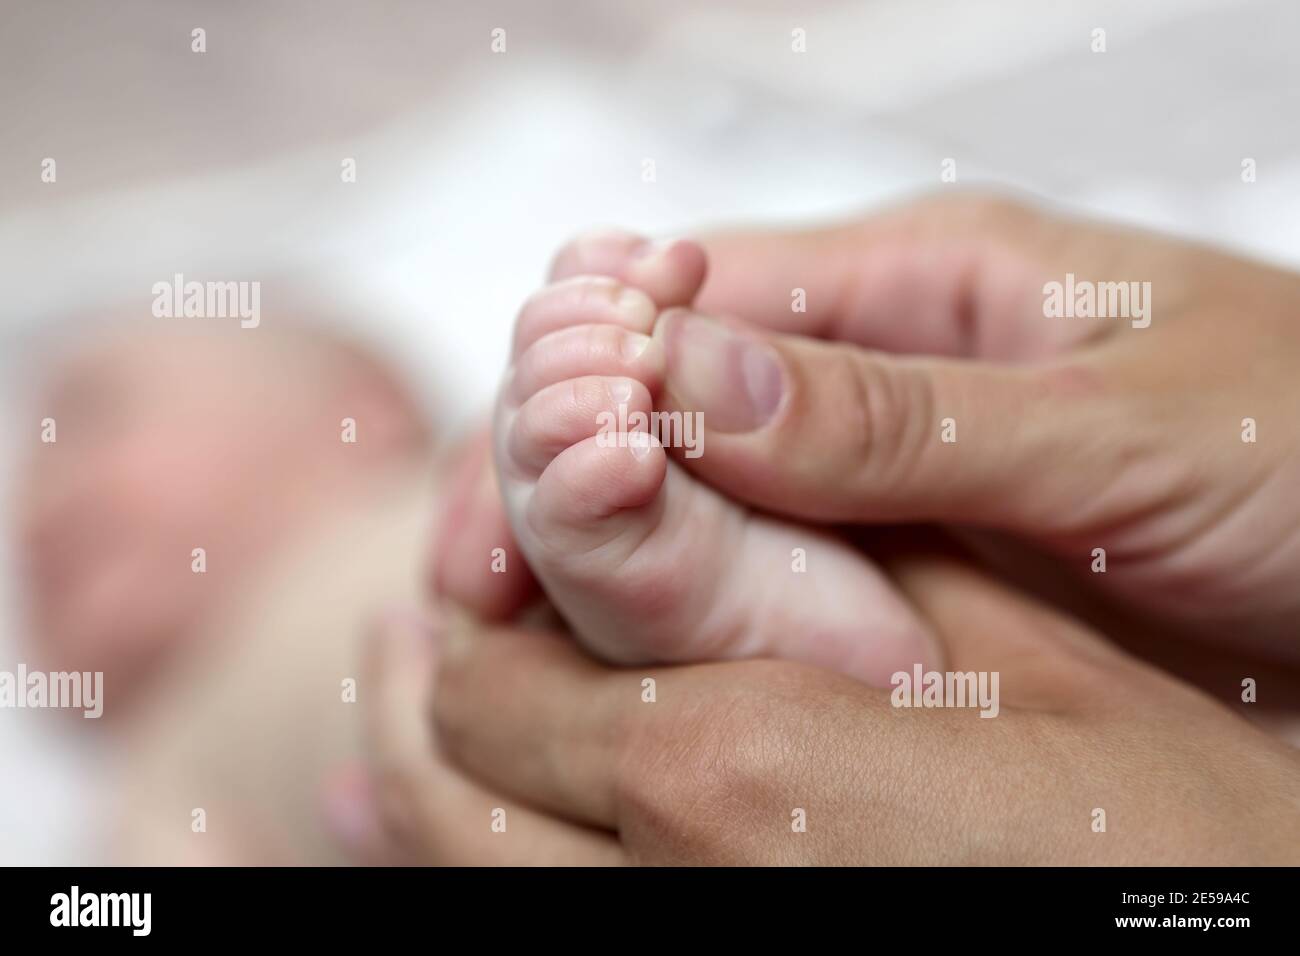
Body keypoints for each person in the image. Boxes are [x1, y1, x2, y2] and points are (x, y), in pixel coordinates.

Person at [332, 193, 1300, 864]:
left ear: (361, 402)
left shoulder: (340, 523)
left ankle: (757, 597)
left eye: (167, 392)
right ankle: (782, 598)